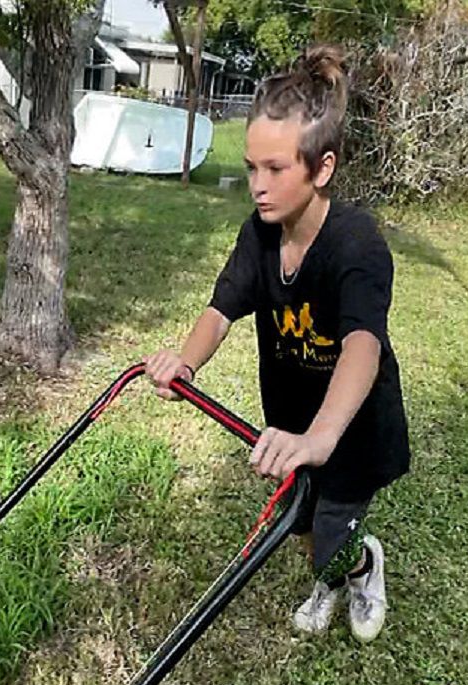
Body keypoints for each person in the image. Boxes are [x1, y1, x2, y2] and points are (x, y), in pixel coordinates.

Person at [143, 43, 410, 642]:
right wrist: (185, 362)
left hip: (351, 428)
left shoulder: (357, 244)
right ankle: (330, 572)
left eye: (276, 169)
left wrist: (321, 437)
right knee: (301, 523)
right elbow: (221, 309)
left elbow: (362, 346)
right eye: (251, 168)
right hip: (291, 420)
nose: (257, 187)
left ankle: (360, 568)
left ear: (323, 168)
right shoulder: (259, 236)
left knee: (333, 535)